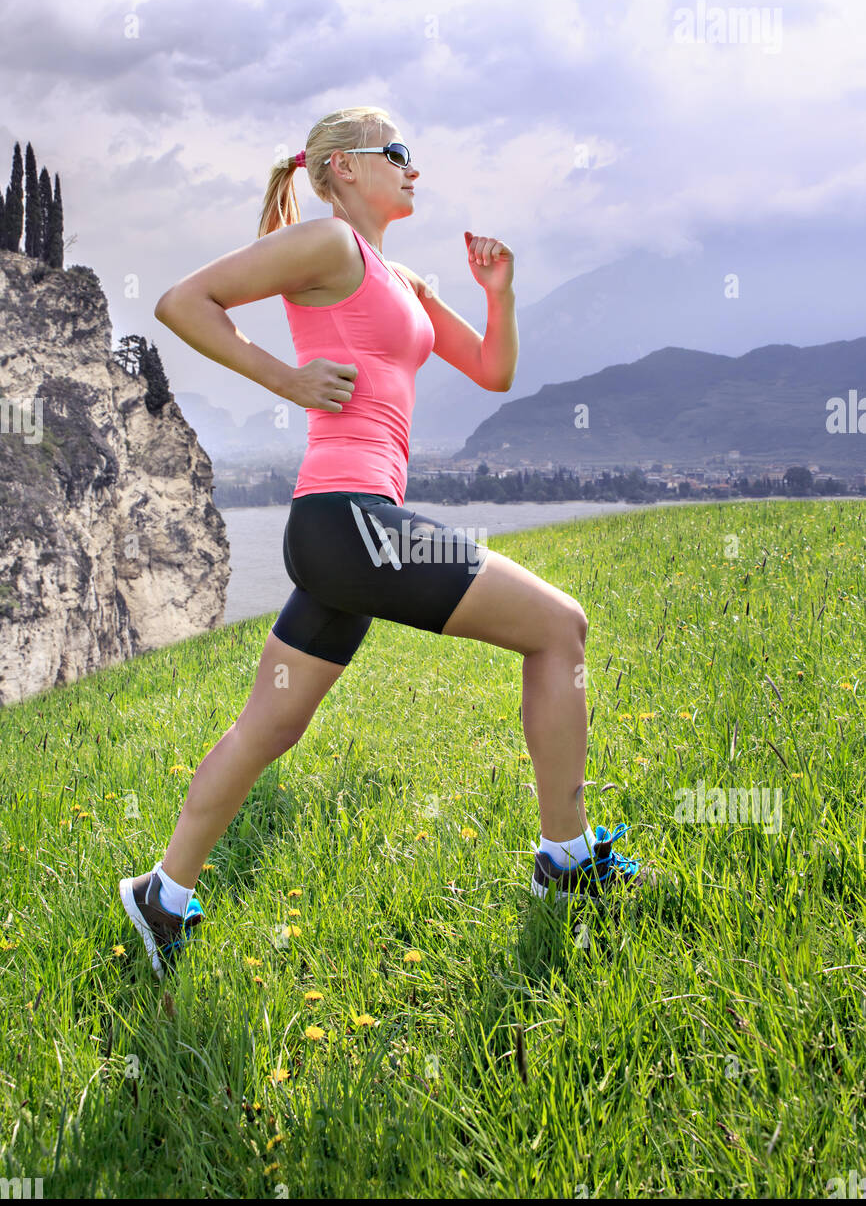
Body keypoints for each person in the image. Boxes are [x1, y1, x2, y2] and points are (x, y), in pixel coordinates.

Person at [119, 105, 655, 978]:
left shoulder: (402, 279)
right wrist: (286, 377)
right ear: (340, 170)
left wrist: (500, 295)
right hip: (349, 521)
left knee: (268, 729)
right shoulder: (330, 246)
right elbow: (183, 302)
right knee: (560, 627)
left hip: (345, 539)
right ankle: (568, 860)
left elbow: (492, 370)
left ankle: (161, 894)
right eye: (396, 153)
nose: (414, 167)